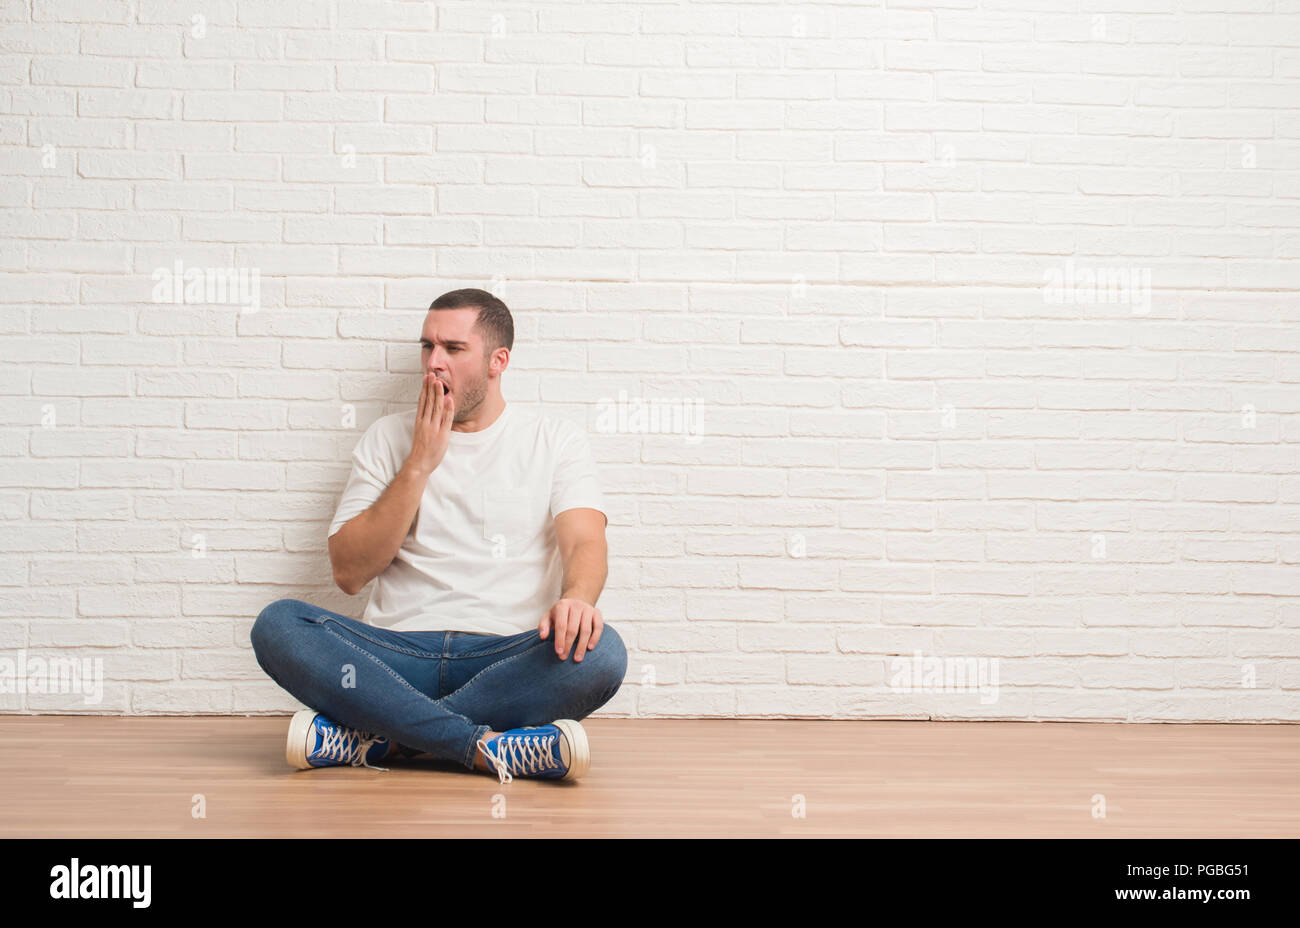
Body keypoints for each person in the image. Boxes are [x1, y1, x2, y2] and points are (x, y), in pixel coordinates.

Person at [250, 289, 626, 784]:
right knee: (278, 625)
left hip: (503, 658)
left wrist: (577, 598)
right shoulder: (388, 438)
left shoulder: (554, 440)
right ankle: (484, 748)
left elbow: (585, 541)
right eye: (427, 347)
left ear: (498, 361)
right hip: (394, 657)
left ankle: (383, 738)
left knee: (603, 652)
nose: (434, 364)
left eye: (453, 348)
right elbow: (348, 573)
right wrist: (420, 462)